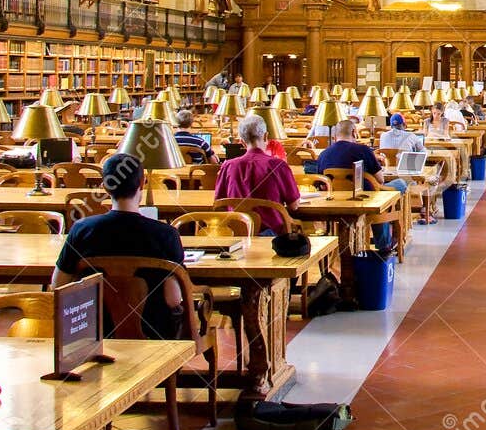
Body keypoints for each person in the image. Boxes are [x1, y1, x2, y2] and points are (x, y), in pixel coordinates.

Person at [52, 153, 187, 339]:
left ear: (105, 186)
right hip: (154, 334)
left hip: (93, 333)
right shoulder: (166, 234)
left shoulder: (81, 230)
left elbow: (58, 285)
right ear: (142, 183)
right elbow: (173, 299)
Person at [214, 113, 301, 233]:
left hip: (237, 235)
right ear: (266, 136)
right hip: (273, 235)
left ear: (242, 142)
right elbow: (294, 205)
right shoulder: (278, 166)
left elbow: (219, 204)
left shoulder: (227, 166)